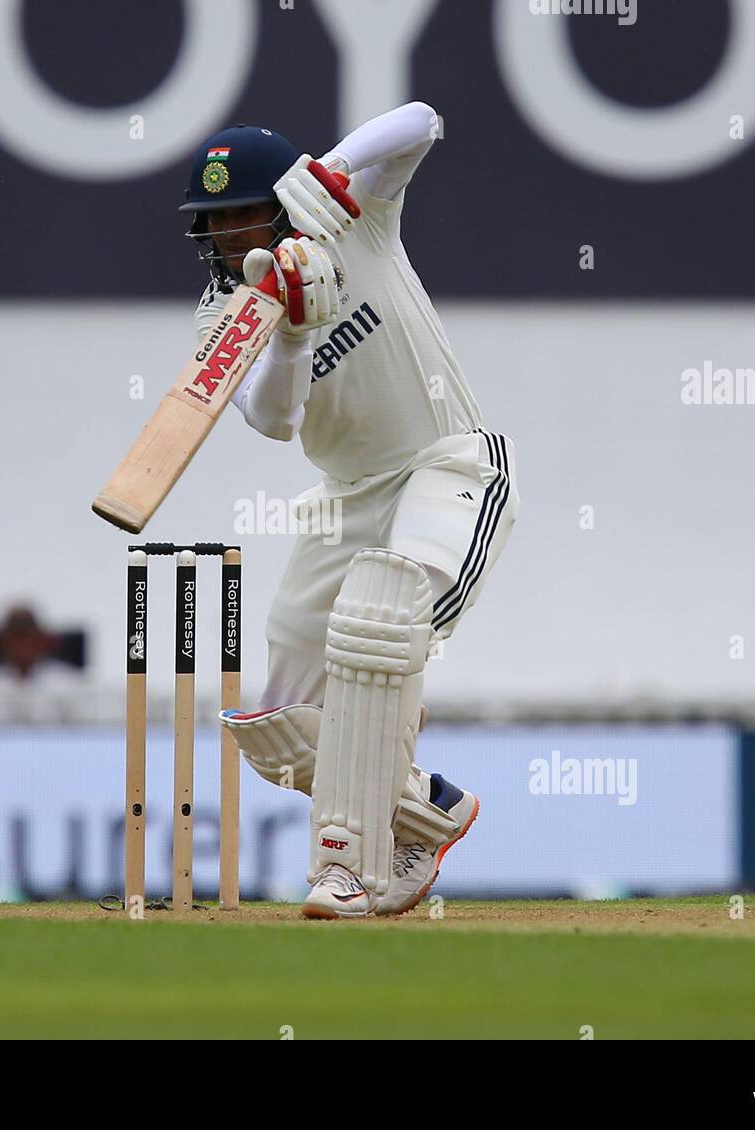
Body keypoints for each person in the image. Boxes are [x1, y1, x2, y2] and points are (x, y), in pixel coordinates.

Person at [179, 103, 519, 918]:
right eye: (214, 221)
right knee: (278, 728)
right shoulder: (221, 314)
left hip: (448, 468)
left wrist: (331, 169)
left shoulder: (357, 218)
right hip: (343, 501)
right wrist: (291, 332)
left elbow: (423, 121)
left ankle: (344, 870)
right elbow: (273, 420)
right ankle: (428, 809)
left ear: (287, 200)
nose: (228, 235)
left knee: (379, 627)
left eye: (242, 214)